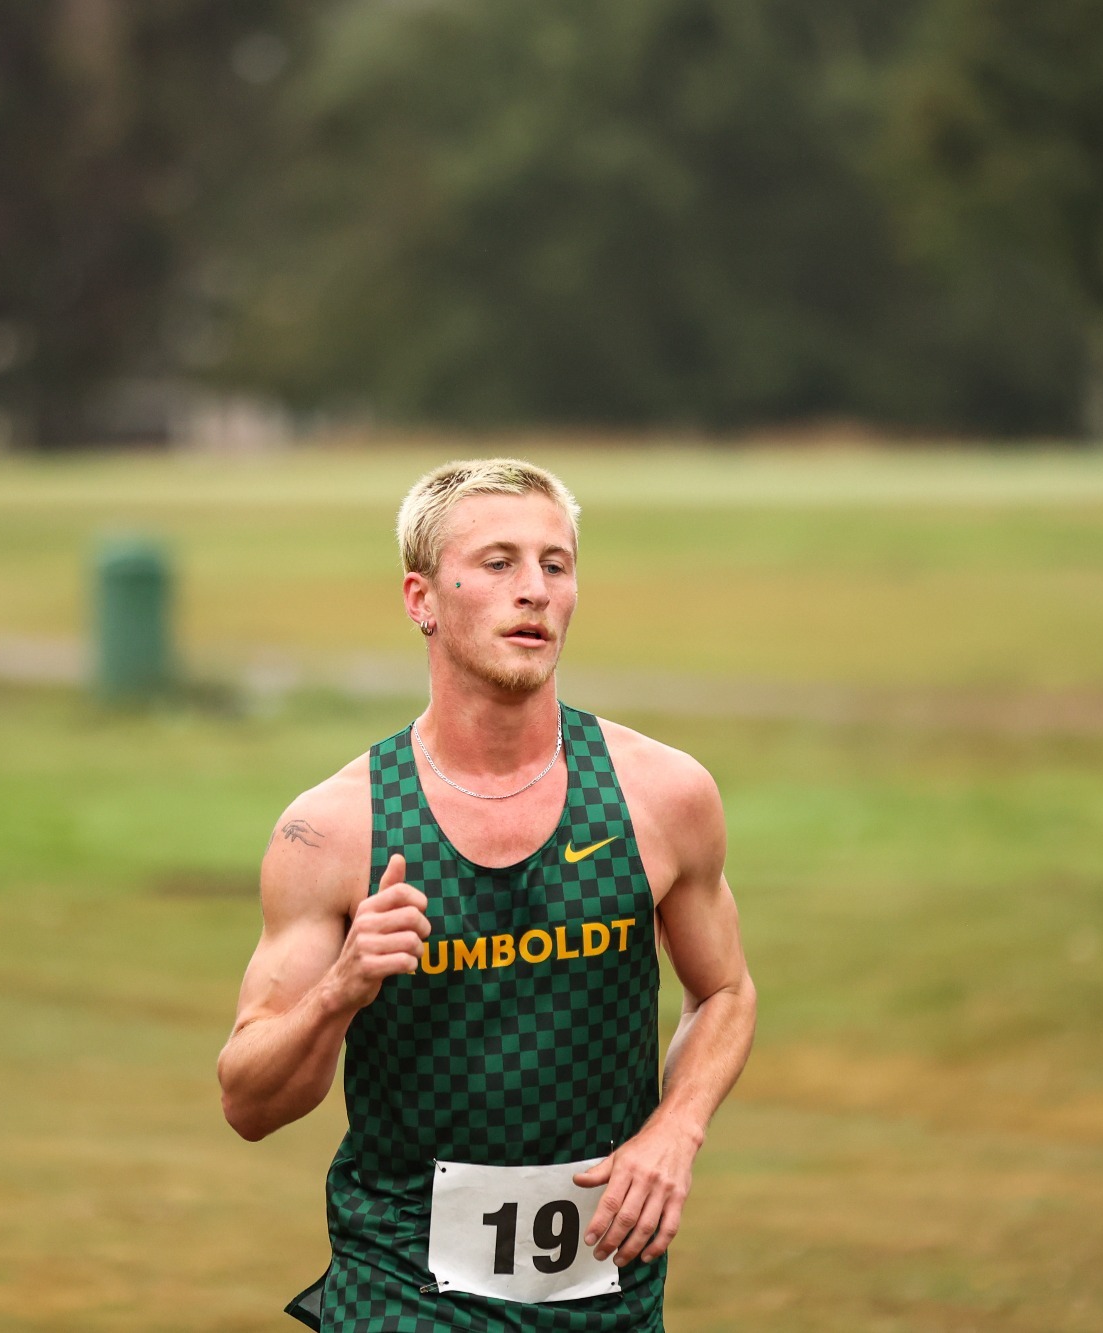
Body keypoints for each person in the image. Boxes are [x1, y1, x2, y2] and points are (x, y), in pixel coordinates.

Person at [218, 458, 757, 1331]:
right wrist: (342, 988)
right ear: (421, 598)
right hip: (400, 1283)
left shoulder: (663, 795)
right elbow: (248, 1100)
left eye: (556, 564)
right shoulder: (333, 828)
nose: (535, 590)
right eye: (499, 563)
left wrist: (674, 1132)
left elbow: (726, 990)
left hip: (605, 1281)